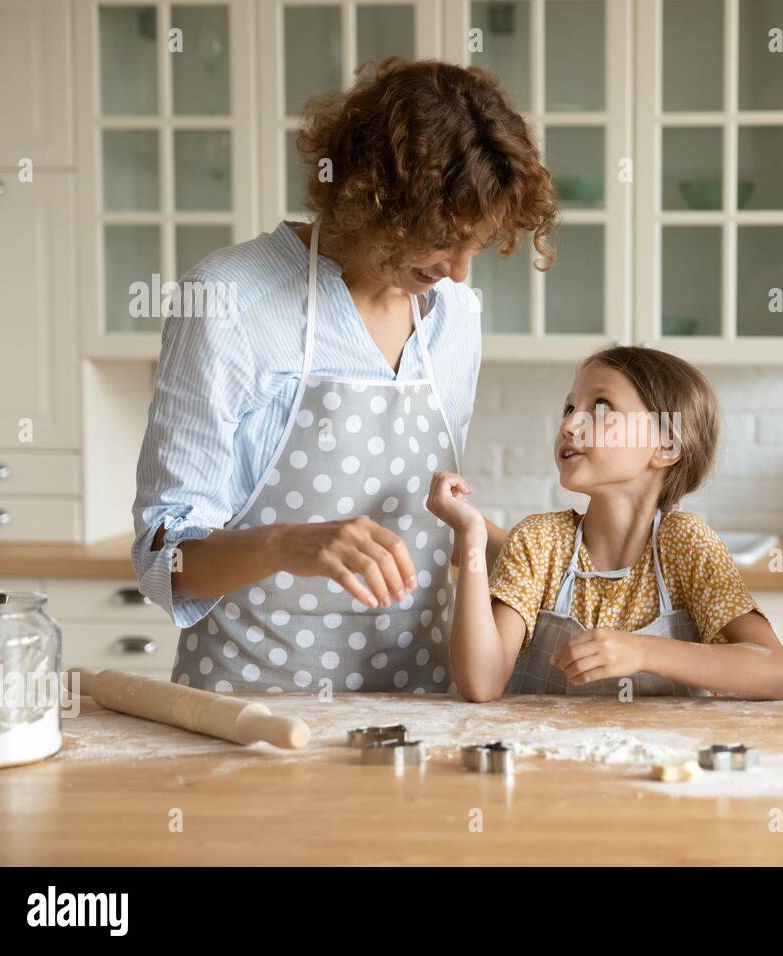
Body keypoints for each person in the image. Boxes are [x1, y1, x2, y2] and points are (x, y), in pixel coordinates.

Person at [131, 58, 557, 692]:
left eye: (478, 244)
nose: (463, 271)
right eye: (444, 239)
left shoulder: (455, 314)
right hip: (258, 715)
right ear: (370, 197)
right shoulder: (229, 302)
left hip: (422, 707)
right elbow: (162, 562)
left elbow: (437, 518)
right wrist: (284, 544)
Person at [426, 347, 783, 701]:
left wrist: (643, 652)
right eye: (569, 408)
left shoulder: (686, 545)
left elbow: (774, 673)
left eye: (601, 409)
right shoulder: (538, 541)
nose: (570, 424)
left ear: (666, 446)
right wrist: (471, 536)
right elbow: (481, 682)